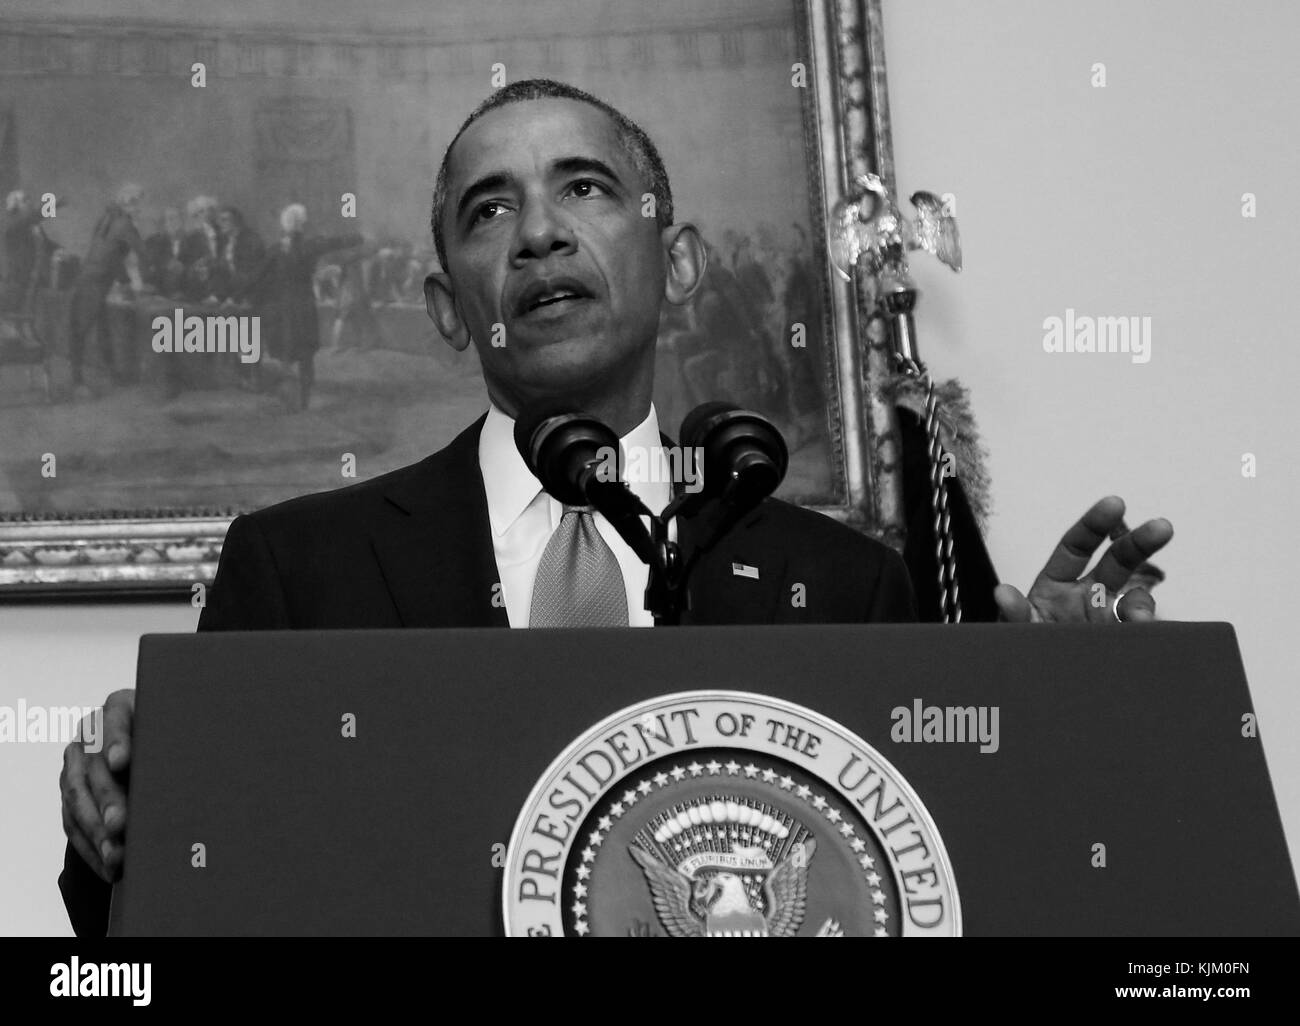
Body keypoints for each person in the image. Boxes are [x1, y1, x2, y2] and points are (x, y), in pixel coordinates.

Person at [57, 79, 1173, 937]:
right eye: (489, 210)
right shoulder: (295, 567)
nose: (539, 234)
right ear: (451, 309)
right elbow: (178, 929)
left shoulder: (838, 584)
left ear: (678, 263)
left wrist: (1061, 722)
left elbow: (914, 897)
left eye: (584, 189)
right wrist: (120, 837)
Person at [254, 203, 362, 410]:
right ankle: (303, 399)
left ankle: (291, 398)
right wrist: (357, 237)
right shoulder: (308, 245)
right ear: (302, 224)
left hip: (283, 306)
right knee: (305, 353)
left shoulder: (275, 250)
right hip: (303, 304)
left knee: (287, 351)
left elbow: (258, 277)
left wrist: (237, 294)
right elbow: (334, 242)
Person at [66, 183, 146, 395]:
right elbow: (136, 252)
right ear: (128, 203)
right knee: (82, 330)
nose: (139, 207)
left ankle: (111, 373)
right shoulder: (124, 224)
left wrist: (123, 280)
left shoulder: (107, 219)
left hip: (89, 278)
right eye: (136, 202)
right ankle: (77, 383)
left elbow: (112, 254)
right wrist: (128, 282)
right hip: (96, 281)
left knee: (102, 328)